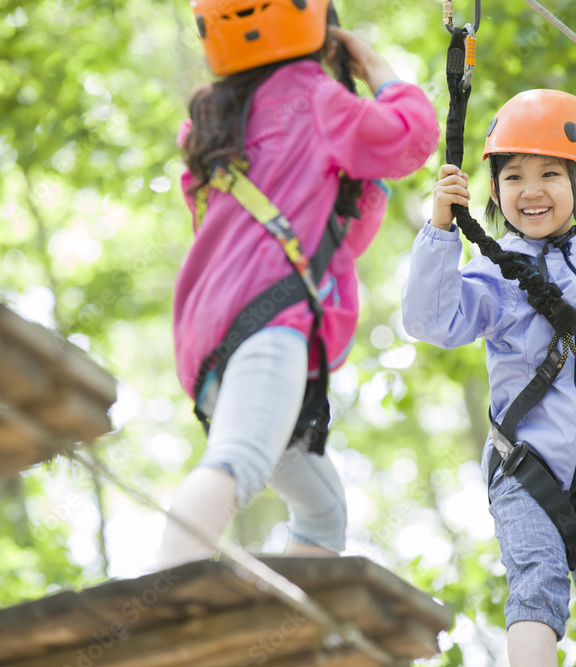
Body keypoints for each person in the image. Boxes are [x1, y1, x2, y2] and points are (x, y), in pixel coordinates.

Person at [163, 0, 438, 568]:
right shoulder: (315, 96)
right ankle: (157, 605)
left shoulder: (212, 123)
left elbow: (304, 237)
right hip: (271, 324)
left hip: (207, 338)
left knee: (321, 511)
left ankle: (288, 641)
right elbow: (411, 138)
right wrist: (375, 70)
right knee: (236, 462)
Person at [401, 89, 576, 666]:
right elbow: (429, 320)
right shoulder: (495, 276)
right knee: (536, 590)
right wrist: (442, 231)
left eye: (550, 173)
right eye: (514, 176)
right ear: (494, 190)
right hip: (526, 469)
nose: (531, 191)